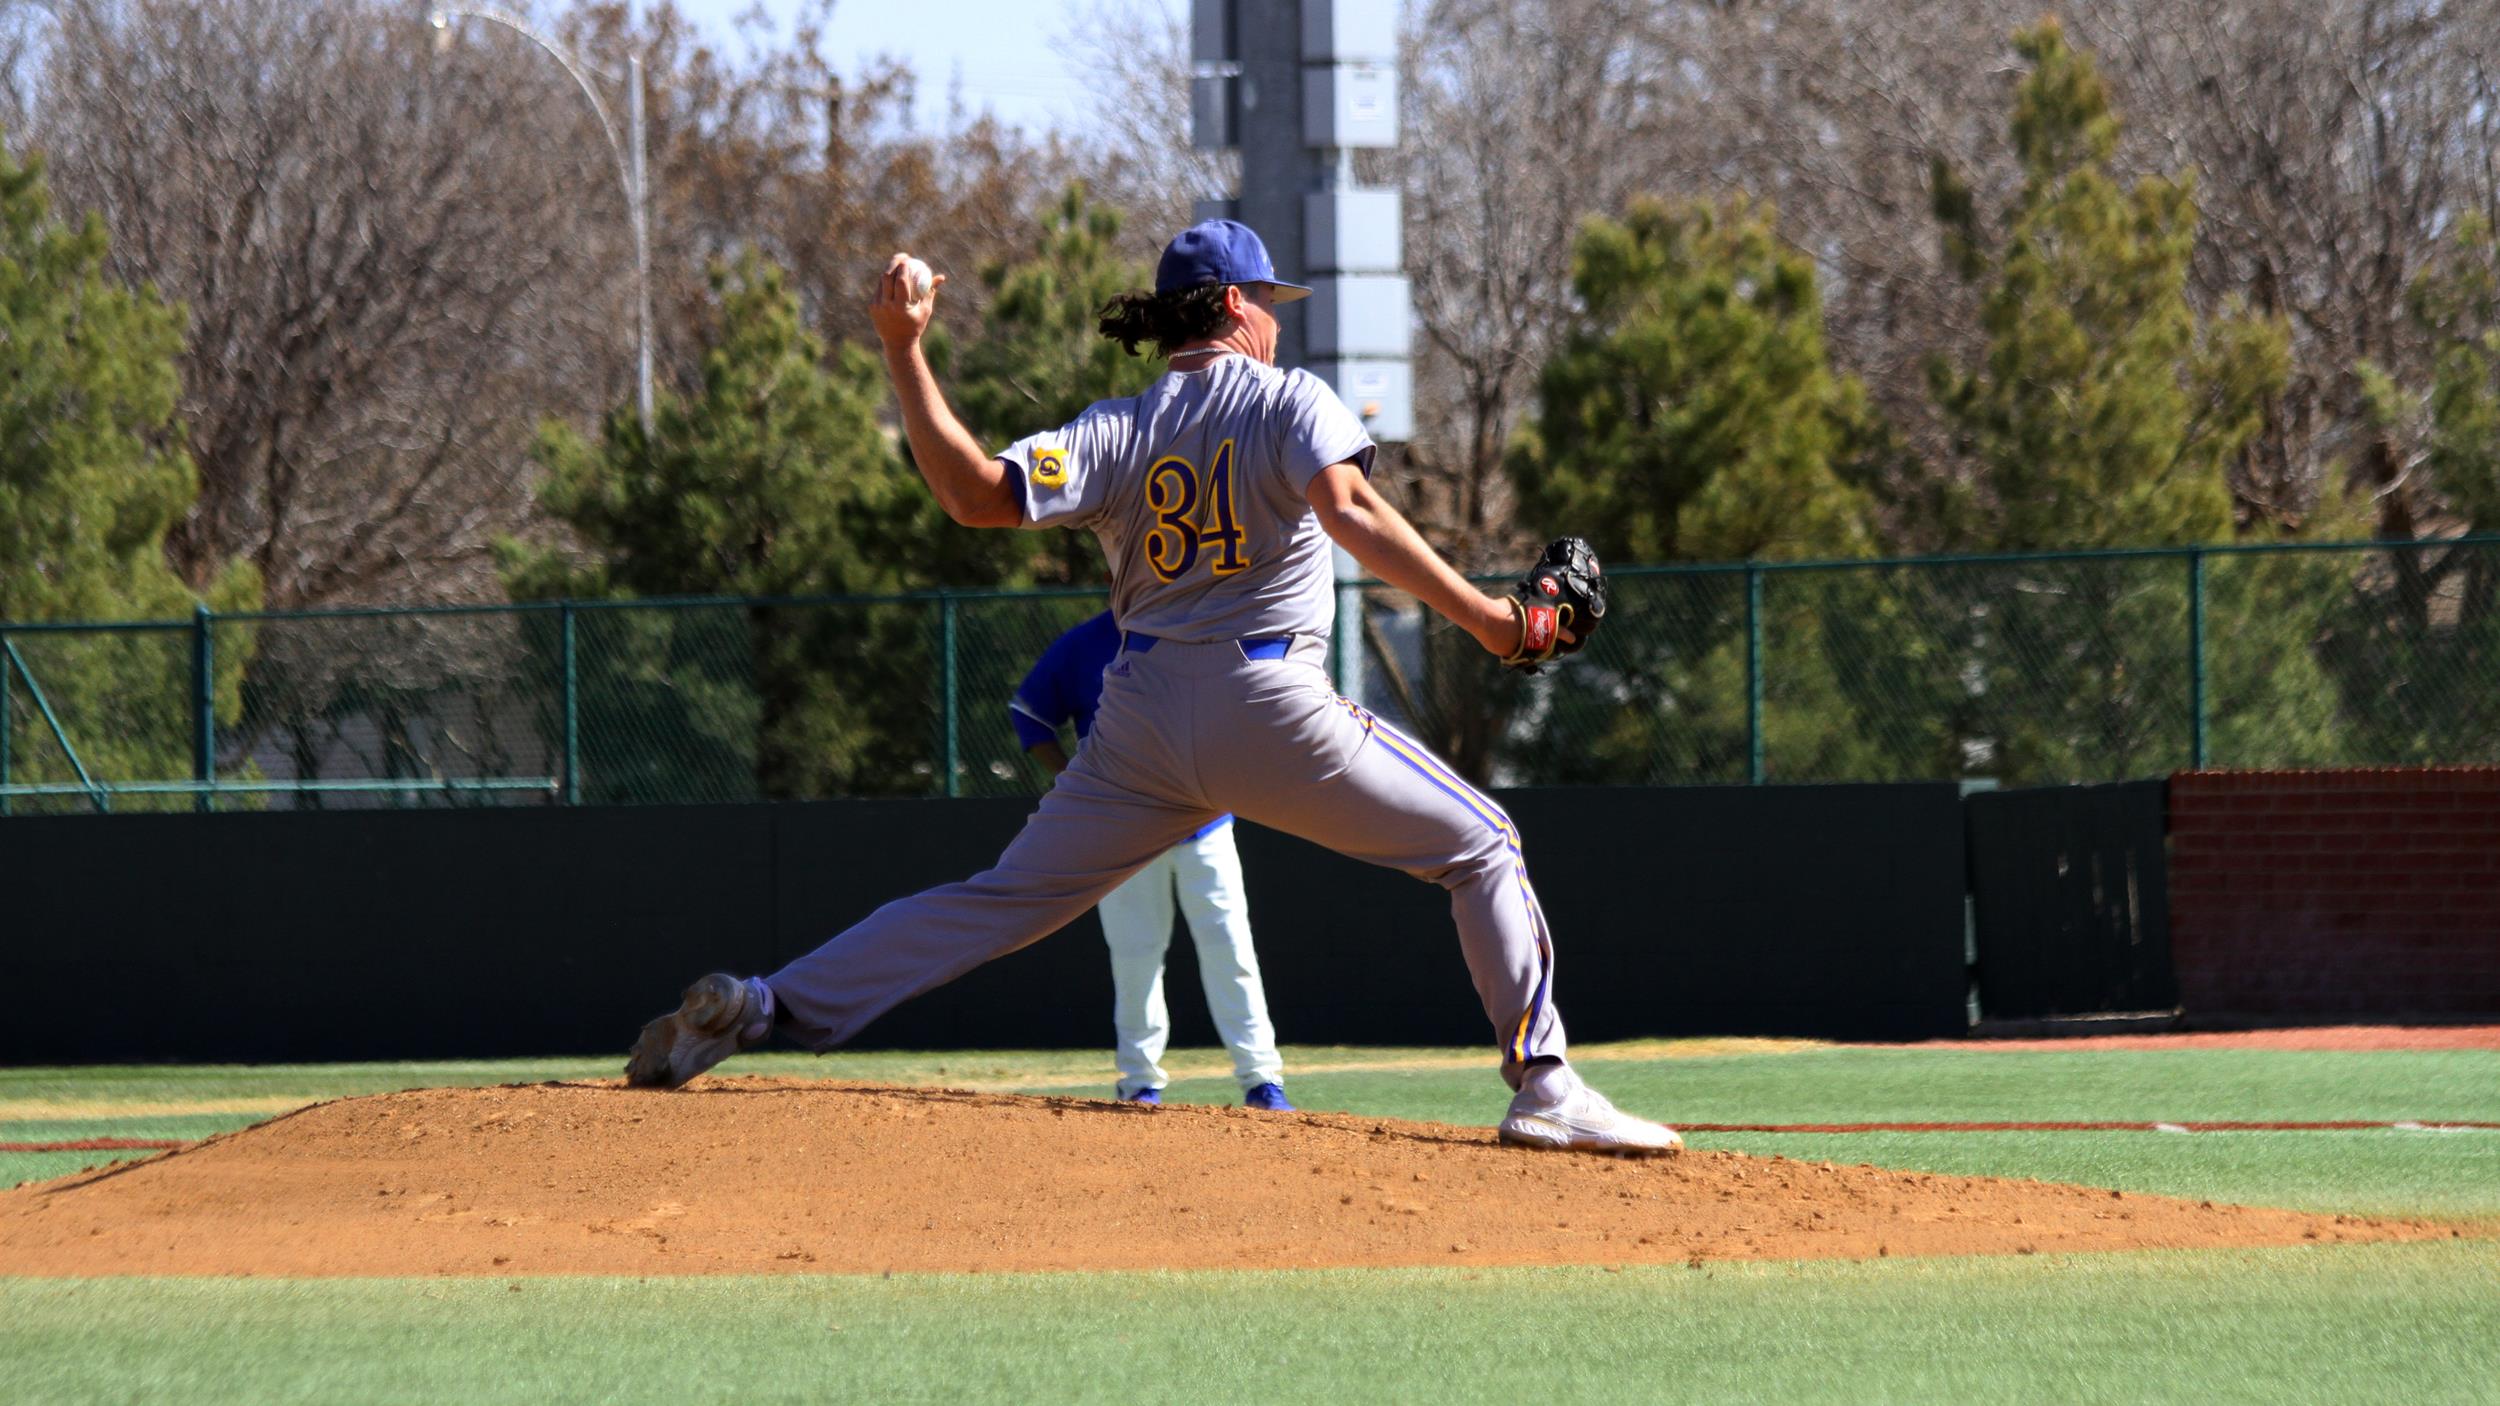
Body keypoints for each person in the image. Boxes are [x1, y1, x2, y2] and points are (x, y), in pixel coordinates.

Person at [626, 219, 1680, 1155]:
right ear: (1233, 305)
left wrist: (905, 351)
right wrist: (1498, 620)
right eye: (1265, 302)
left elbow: (968, 495)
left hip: (1135, 720)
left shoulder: (1120, 425)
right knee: (1482, 843)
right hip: (1266, 701)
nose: (1273, 321)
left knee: (997, 901)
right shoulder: (1283, 398)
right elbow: (1350, 513)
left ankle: (762, 1004)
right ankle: (1543, 1084)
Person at [1012, 610, 1292, 1110]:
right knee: (1136, 959)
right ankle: (1140, 1082)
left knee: (1231, 953)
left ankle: (1261, 1081)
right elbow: (1029, 716)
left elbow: (1247, 705)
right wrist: (1077, 779)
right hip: (1123, 833)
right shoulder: (1084, 643)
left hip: (1204, 824)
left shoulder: (1199, 630)